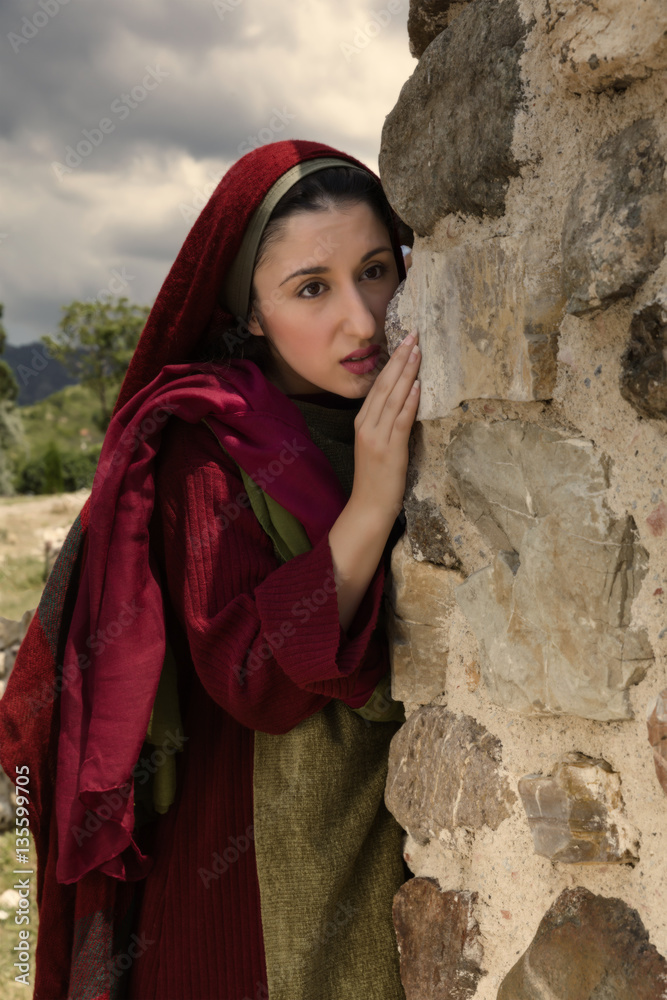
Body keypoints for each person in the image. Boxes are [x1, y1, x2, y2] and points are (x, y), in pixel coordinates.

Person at [0, 139, 420, 999]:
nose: (363, 319)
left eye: (376, 270)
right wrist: (372, 502)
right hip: (241, 874)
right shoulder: (207, 443)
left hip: (383, 835)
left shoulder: (413, 405)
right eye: (313, 288)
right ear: (252, 313)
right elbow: (252, 678)